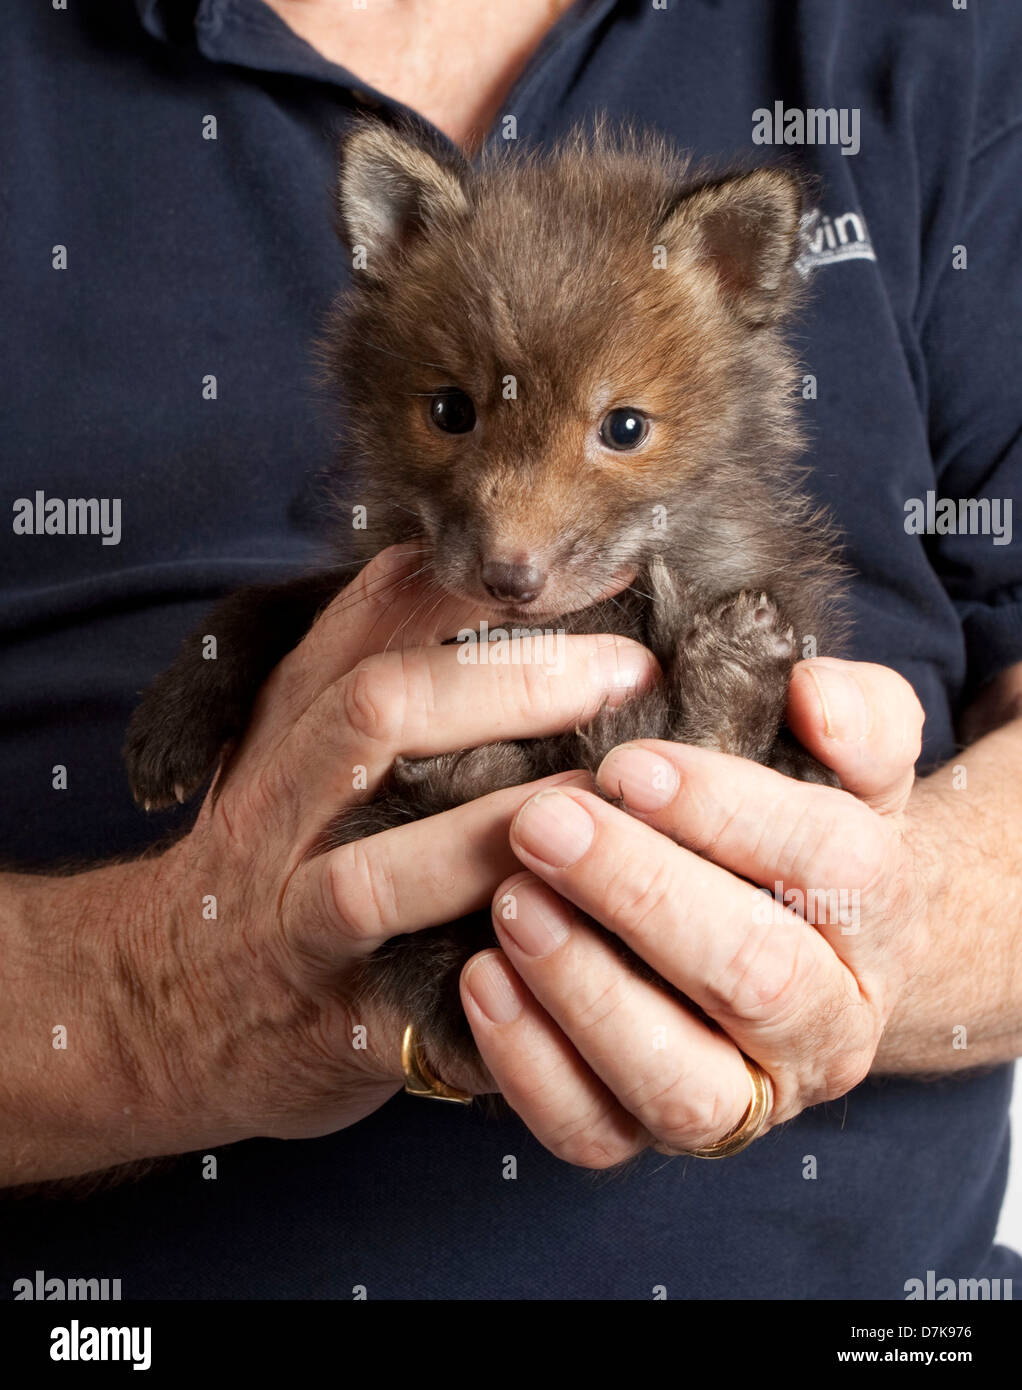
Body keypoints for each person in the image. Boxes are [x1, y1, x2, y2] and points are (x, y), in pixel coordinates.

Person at [1, 0, 1020, 1300]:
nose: (512, 532)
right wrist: (156, 998)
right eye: (449, 414)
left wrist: (876, 920)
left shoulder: (942, 42)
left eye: (621, 431)